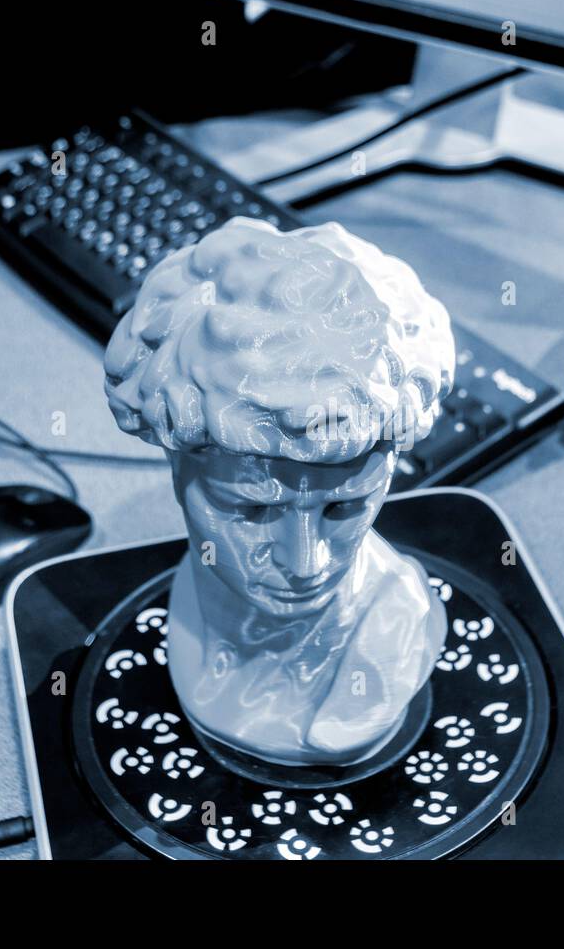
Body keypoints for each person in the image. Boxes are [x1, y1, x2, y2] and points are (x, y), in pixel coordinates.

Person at [104, 217, 454, 766]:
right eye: (251, 508)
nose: (305, 561)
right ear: (175, 466)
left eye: (345, 505)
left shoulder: (388, 641)